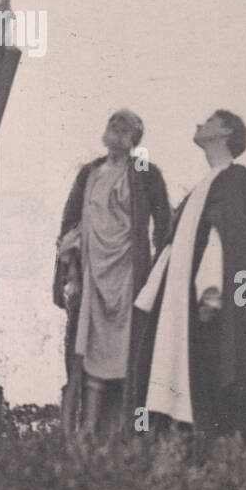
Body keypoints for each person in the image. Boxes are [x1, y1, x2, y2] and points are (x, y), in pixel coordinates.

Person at [130, 111, 246, 446]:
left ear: (226, 131)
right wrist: (149, 294)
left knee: (210, 372)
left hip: (207, 307)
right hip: (178, 305)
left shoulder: (235, 180)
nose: (198, 123)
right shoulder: (203, 186)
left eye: (210, 120)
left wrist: (212, 294)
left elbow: (222, 241)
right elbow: (174, 248)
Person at [53, 110, 171, 438]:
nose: (117, 132)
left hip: (129, 273)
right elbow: (71, 222)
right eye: (113, 125)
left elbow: (164, 223)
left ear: (135, 138)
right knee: (88, 345)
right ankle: (85, 428)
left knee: (127, 349)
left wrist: (158, 272)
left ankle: (121, 433)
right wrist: (70, 269)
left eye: (126, 128)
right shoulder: (89, 172)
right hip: (92, 271)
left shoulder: (146, 171)